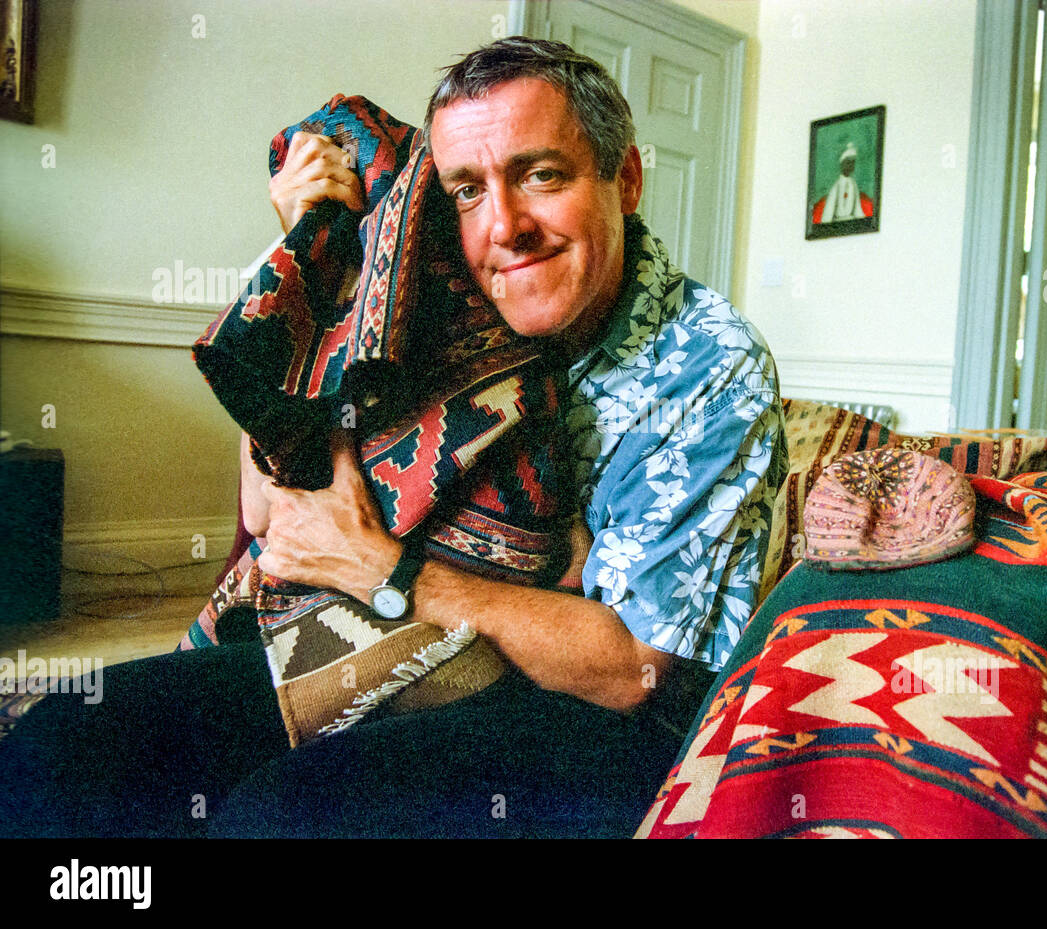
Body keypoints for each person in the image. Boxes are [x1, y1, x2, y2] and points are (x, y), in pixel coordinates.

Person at [0, 37, 787, 838]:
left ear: (625, 180)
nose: (505, 227)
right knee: (63, 744)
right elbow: (270, 516)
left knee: (276, 819)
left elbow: (638, 671)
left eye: (541, 175)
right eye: (468, 191)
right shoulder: (431, 296)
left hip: (589, 715)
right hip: (385, 637)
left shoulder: (708, 365)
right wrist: (317, 257)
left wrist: (387, 567)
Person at [812, 142, 873, 223]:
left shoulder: (853, 184)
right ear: (842, 164)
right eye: (848, 163)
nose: (851, 165)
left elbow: (857, 208)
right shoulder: (836, 186)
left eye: (853, 163)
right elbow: (828, 212)